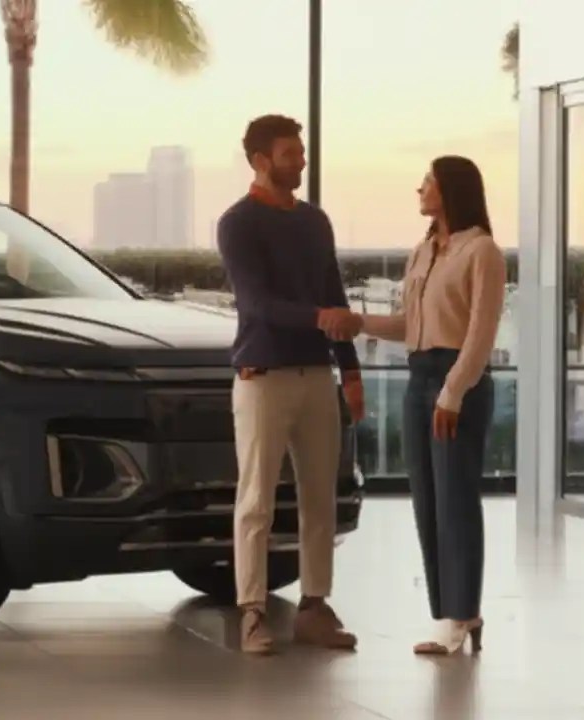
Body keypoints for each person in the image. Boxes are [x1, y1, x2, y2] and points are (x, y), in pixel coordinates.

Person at [327, 156, 505, 655]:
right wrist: (359, 323)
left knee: (456, 501)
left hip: (458, 383)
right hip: (418, 378)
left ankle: (462, 614)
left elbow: (480, 335)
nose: (420, 189)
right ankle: (449, 613)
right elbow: (410, 325)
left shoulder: (482, 252)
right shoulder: (422, 252)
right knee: (427, 501)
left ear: (450, 189)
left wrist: (453, 392)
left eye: (427, 182)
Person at [216, 114, 364, 655]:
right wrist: (319, 319)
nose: (300, 160)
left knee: (320, 498)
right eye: (289, 154)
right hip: (262, 378)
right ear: (260, 161)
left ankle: (314, 608)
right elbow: (256, 304)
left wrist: (350, 371)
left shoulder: (315, 221)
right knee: (256, 500)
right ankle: (252, 613)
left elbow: (333, 293)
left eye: (300, 151)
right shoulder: (238, 223)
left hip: (317, 377)